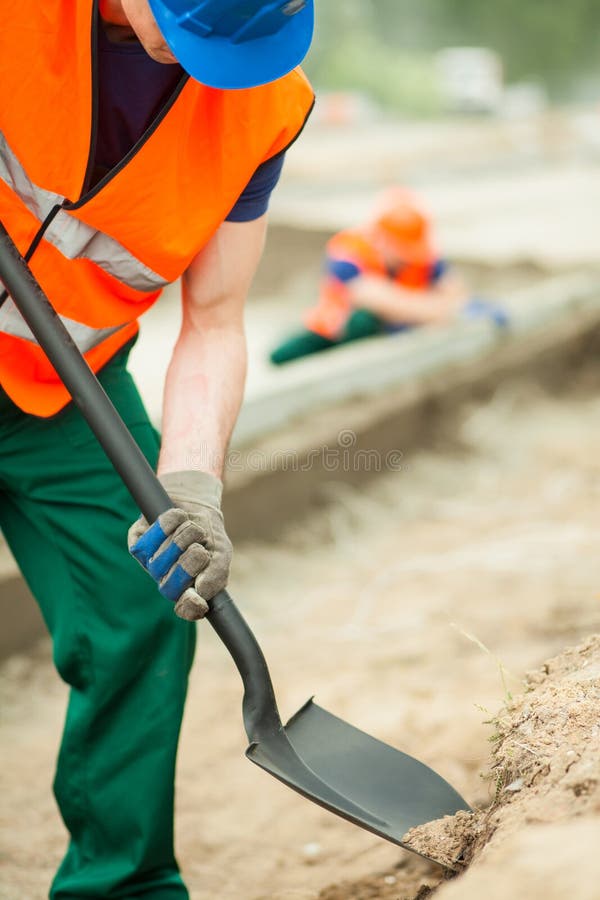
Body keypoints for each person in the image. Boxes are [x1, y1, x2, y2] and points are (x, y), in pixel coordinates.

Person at [0, 1, 314, 897]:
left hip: (63, 389)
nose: (212, 67)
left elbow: (214, 319)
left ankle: (121, 885)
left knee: (148, 594)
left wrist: (192, 490)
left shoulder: (260, 102)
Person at [270, 186, 506, 365]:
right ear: (381, 238)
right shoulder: (350, 252)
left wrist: (454, 306)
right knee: (282, 356)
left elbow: (455, 291)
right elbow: (381, 301)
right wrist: (445, 311)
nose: (406, 257)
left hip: (389, 333)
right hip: (333, 333)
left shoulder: (423, 257)